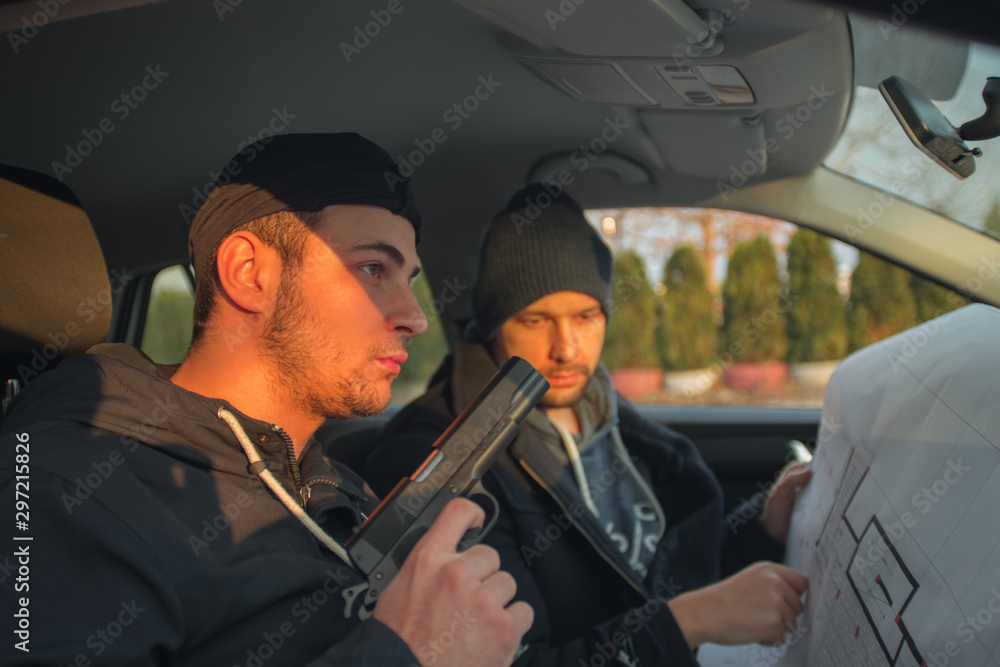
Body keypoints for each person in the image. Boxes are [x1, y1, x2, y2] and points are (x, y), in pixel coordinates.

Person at [0, 133, 531, 667]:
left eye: (409, 280)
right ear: (249, 273)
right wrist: (406, 654)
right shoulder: (62, 490)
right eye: (373, 269)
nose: (415, 318)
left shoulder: (339, 488)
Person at [364, 183, 812, 666]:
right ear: (495, 326)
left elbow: (659, 574)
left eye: (586, 316)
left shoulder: (605, 413)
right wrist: (685, 623)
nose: (567, 349)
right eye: (536, 321)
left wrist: (762, 531)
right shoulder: (433, 462)